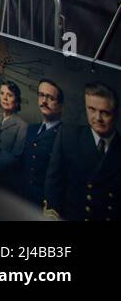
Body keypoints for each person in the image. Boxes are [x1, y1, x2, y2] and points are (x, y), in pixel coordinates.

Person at [45, 82, 118, 220]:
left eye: (105, 112)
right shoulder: (68, 136)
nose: (97, 118)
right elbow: (53, 181)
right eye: (91, 109)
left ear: (116, 113)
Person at [19, 79, 65, 209]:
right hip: (22, 201)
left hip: (44, 207)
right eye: (41, 95)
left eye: (50, 98)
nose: (44, 101)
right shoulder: (31, 129)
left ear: (60, 105)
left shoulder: (64, 136)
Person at [0, 81, 29, 191]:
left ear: (16, 101)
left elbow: (15, 157)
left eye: (9, 95)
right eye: (2, 93)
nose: (4, 98)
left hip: (5, 181)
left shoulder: (22, 125)